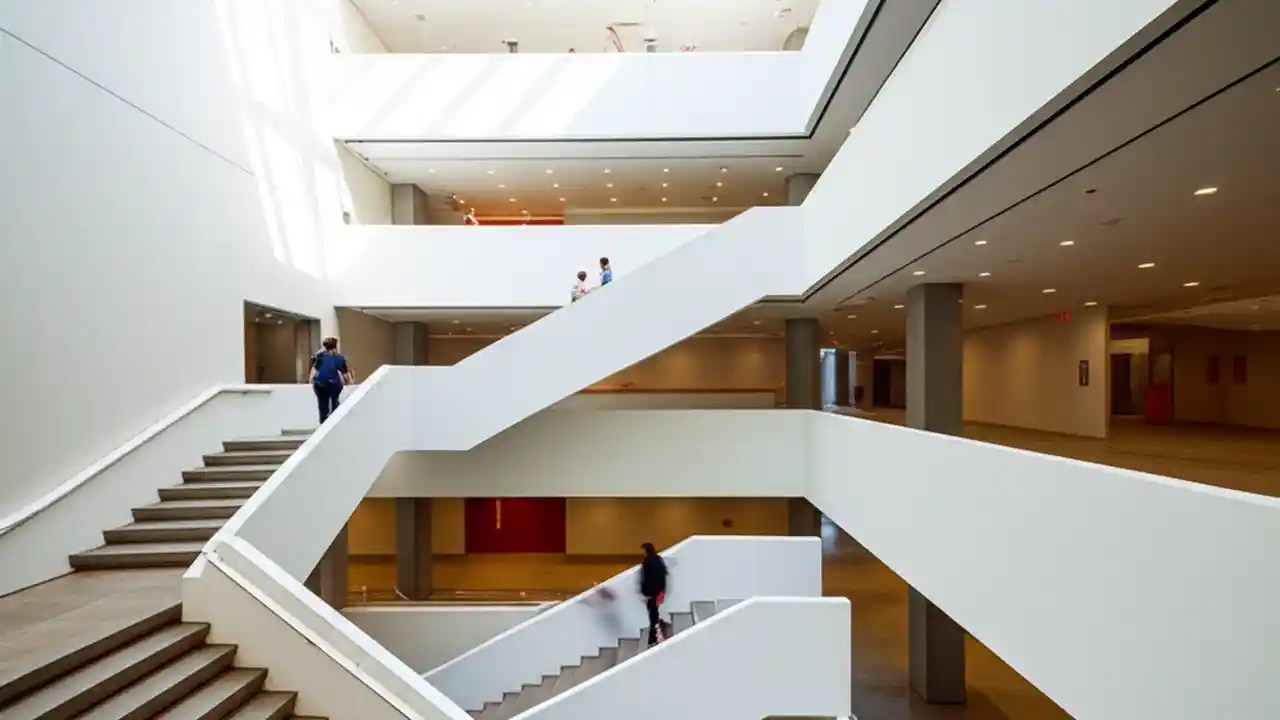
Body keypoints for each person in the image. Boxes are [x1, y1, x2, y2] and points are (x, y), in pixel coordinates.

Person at [310, 337, 352, 423]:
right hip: (332, 385)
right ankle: (333, 417)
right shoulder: (339, 358)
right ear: (334, 348)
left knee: (323, 405)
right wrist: (349, 382)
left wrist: (311, 380)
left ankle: (323, 421)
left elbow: (314, 370)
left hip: (319, 385)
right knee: (334, 401)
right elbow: (346, 374)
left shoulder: (320, 356)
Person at [638, 542, 669, 647]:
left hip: (652, 592)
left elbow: (647, 579)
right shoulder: (658, 559)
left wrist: (645, 592)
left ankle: (655, 636)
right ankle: (655, 635)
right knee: (654, 612)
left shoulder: (647, 562)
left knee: (652, 614)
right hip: (659, 591)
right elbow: (663, 574)